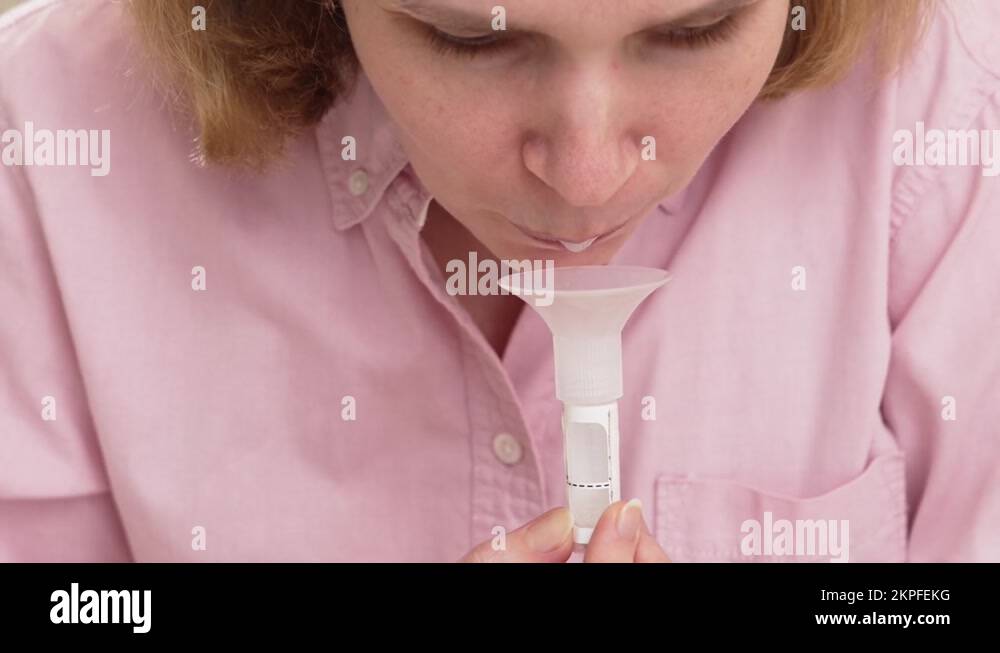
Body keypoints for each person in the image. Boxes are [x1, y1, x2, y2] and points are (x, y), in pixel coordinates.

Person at [0, 0, 997, 563]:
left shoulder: (937, 106)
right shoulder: (52, 146)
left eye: (696, 30)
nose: (589, 172)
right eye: (473, 39)